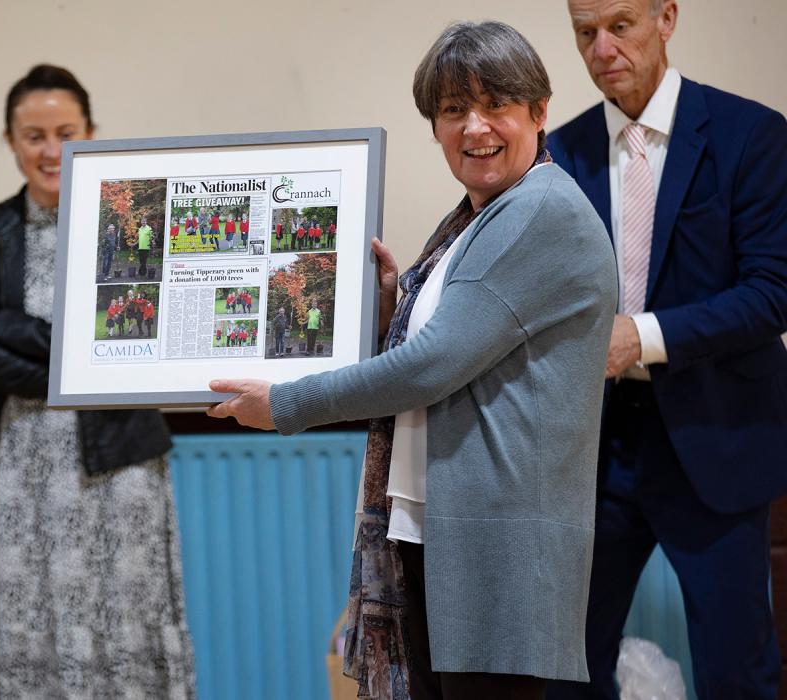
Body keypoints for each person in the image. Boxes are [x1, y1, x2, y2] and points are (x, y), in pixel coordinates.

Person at [208, 21, 617, 699]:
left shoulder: (540, 211)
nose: (474, 127)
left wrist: (285, 404)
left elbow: (430, 366)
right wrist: (397, 299)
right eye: (454, 110)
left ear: (539, 113)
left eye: (496, 106)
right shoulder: (482, 215)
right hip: (446, 534)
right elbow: (460, 344)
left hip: (499, 553)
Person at [543, 2, 787, 698]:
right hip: (591, 453)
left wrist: (641, 337)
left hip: (718, 442)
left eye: (620, 25)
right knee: (568, 671)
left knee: (736, 672)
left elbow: (773, 291)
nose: (602, 47)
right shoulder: (557, 155)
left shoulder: (753, 135)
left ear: (667, 17)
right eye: (585, 32)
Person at [0, 64, 194, 699]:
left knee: (123, 616)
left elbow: (140, 345)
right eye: (33, 135)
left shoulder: (134, 220)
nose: (50, 150)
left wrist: (18, 328)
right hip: (15, 464)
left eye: (64, 131)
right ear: (9, 140)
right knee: (25, 619)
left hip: (119, 462)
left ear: (90, 132)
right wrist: (76, 366)